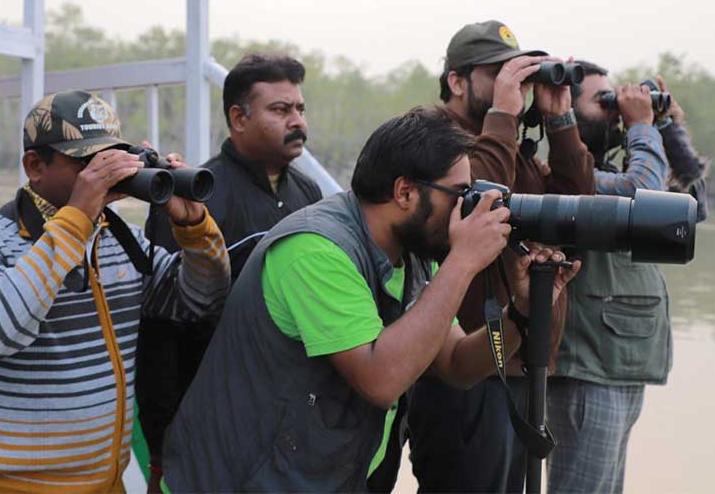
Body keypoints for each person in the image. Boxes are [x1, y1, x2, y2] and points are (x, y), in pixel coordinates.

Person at [162, 106, 580, 492]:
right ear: (404, 192)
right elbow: (381, 380)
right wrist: (464, 262)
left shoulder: (414, 253)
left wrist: (522, 312)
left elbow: (456, 364)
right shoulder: (315, 250)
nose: (466, 209)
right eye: (459, 194)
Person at [0, 90, 231, 492]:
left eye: (111, 157)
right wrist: (76, 218)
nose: (104, 172)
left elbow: (203, 298)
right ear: (34, 166)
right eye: (86, 162)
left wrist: (194, 226)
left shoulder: (119, 239)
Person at [407, 21, 595, 493]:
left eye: (522, 73)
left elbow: (577, 213)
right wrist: (504, 114)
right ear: (456, 81)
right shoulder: (430, 139)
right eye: (500, 72)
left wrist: (560, 122)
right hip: (464, 366)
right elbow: (471, 199)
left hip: (522, 360)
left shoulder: (512, 146)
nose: (517, 85)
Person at [136, 54, 322, 490]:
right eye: (280, 109)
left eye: (299, 108)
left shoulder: (308, 194)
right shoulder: (193, 198)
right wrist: (163, 443)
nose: (296, 120)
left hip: (284, 428)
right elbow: (160, 328)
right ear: (238, 118)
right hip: (206, 429)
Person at [546, 62, 709, 494]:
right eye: (602, 102)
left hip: (620, 363)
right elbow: (644, 194)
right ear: (569, 110)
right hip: (587, 368)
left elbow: (690, 211)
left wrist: (668, 127)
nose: (615, 111)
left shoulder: (612, 165)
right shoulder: (568, 179)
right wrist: (642, 127)